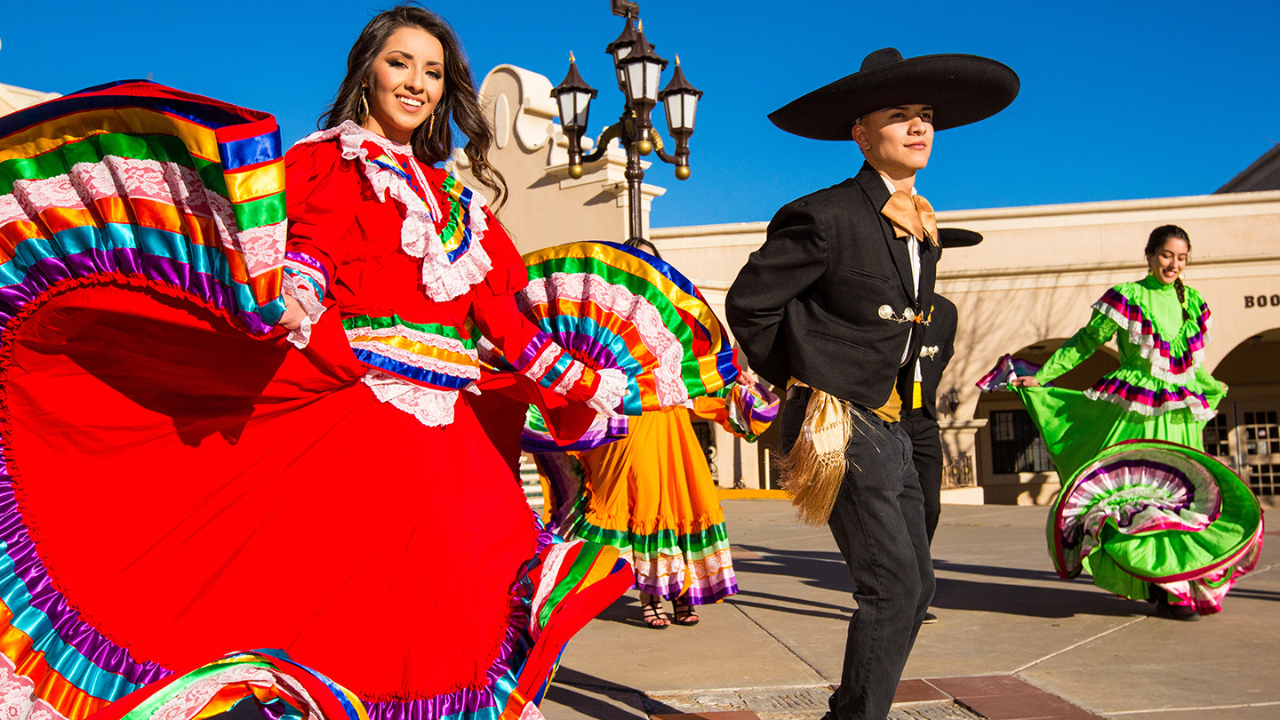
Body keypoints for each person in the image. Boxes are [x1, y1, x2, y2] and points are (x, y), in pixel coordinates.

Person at [0, 5, 639, 718]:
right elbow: (312, 252)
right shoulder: (333, 162)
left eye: (432, 72)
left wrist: (587, 382)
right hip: (369, 431)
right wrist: (292, 296)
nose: (416, 83)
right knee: (370, 620)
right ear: (366, 71)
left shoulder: (460, 201)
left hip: (454, 448)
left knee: (469, 600)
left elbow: (504, 323)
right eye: (400, 63)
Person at [727, 48, 1018, 720]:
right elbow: (751, 304)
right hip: (843, 416)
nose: (919, 128)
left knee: (916, 588)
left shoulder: (922, 224)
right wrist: (808, 382)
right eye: (899, 116)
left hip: (901, 424)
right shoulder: (824, 215)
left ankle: (851, 708)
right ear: (861, 133)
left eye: (926, 118)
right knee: (890, 585)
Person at [1003, 225, 1261, 621]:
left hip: (1179, 416)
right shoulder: (1128, 298)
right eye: (1166, 255)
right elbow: (1086, 341)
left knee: (1183, 500)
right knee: (1143, 497)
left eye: (1181, 257)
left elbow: (1193, 364)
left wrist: (1210, 385)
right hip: (1136, 411)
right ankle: (1165, 586)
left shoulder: (1193, 303)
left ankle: (1175, 582)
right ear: (1149, 255)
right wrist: (1045, 376)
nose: (1173, 264)